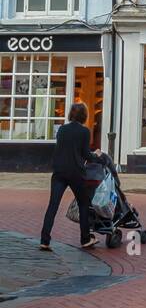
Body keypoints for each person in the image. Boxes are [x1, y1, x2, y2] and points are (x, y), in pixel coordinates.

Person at [38, 101, 101, 251]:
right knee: (84, 204)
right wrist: (97, 156)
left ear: (70, 114)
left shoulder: (62, 129)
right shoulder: (84, 132)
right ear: (84, 115)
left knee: (53, 205)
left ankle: (44, 240)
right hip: (75, 172)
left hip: (59, 171)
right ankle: (85, 239)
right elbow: (85, 154)